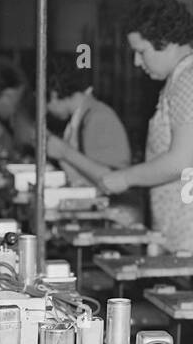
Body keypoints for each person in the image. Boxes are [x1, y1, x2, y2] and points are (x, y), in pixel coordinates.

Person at [99, 0, 193, 253]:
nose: (136, 62)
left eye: (141, 52)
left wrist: (124, 178)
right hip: (186, 230)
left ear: (166, 43)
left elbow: (180, 162)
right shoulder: (183, 78)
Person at [42, 53, 140, 220]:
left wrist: (65, 152)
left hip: (116, 216)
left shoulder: (98, 117)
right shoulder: (81, 117)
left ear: (53, 94)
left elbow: (110, 179)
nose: (45, 110)